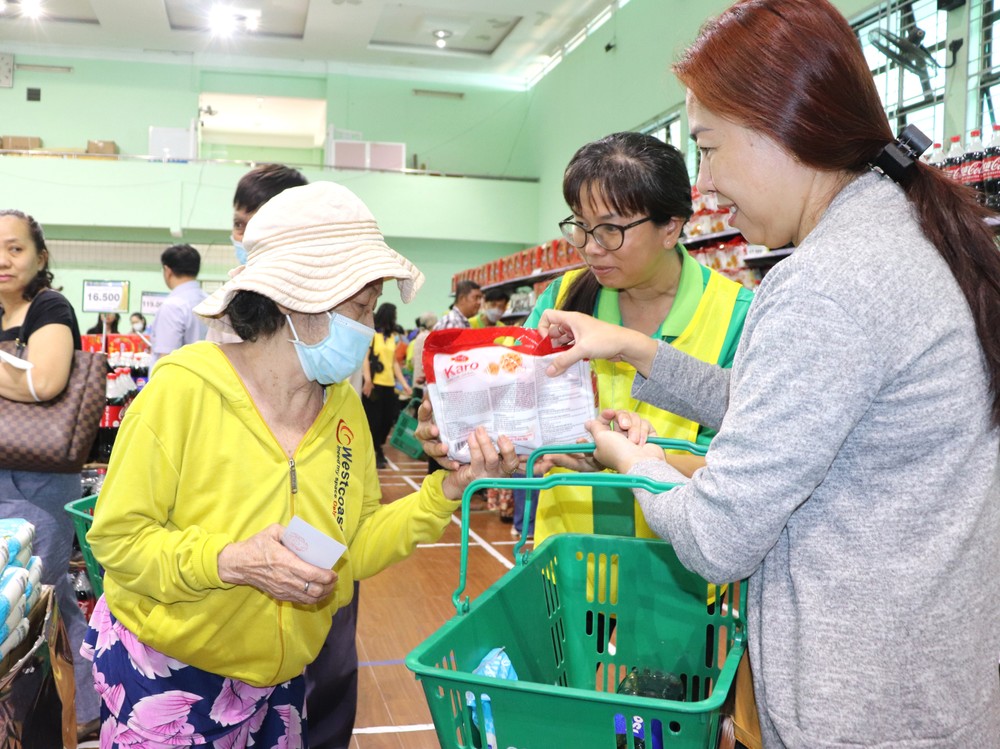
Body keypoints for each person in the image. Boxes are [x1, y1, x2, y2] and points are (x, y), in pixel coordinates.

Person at [537, 1, 1000, 745]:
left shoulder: (830, 280)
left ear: (784, 126)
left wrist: (636, 460)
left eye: (711, 147)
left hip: (865, 705)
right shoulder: (901, 234)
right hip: (924, 680)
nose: (709, 181)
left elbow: (715, 537)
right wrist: (631, 348)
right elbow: (792, 415)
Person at [81, 180, 520, 748]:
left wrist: (448, 490)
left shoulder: (341, 406)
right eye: (360, 308)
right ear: (296, 297)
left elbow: (352, 544)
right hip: (166, 679)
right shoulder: (182, 392)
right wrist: (232, 561)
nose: (367, 327)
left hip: (281, 686)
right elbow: (118, 540)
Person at [519, 131, 752, 543]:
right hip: (567, 562)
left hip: (682, 578)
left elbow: (748, 469)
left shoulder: (737, 315)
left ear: (670, 228)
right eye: (581, 226)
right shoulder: (562, 301)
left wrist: (637, 456)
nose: (590, 248)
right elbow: (521, 414)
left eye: (610, 229)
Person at [0, 209, 101, 741]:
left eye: (15, 248)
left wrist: (22, 377)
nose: (3, 260)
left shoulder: (49, 307)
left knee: (48, 595)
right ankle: (16, 710)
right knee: (7, 605)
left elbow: (44, 381)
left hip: (35, 476)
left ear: (40, 257)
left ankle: (83, 707)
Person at [362, 303, 411, 469]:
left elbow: (394, 363)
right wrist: (368, 380)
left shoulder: (392, 338)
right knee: (373, 421)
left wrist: (404, 384)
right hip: (374, 385)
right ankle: (375, 451)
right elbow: (365, 358)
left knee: (387, 420)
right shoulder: (372, 335)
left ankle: (378, 447)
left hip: (389, 385)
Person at [148, 243, 207, 367]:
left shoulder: (173, 306)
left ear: (167, 271)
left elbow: (166, 358)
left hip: (179, 381)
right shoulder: (209, 301)